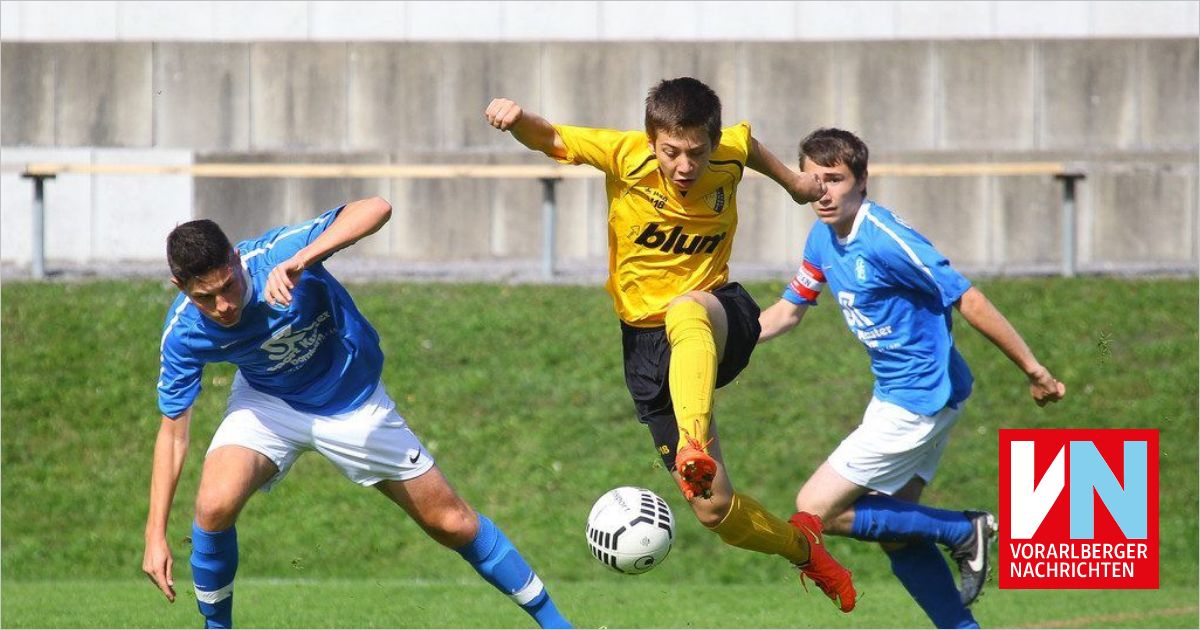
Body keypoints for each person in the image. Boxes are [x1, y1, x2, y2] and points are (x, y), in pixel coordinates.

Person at [486, 77, 856, 613]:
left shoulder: (728, 150)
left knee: (687, 308)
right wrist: (516, 119)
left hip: (719, 316)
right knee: (716, 511)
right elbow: (551, 138)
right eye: (671, 152)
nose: (686, 165)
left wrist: (792, 183)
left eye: (698, 152)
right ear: (650, 139)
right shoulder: (624, 156)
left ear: (712, 140)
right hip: (646, 351)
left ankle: (693, 446)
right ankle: (806, 551)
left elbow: (747, 145)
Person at [142, 197, 571, 629]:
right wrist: (155, 533)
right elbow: (173, 434)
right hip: (269, 402)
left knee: (452, 523)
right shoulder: (184, 332)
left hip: (353, 400)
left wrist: (304, 259)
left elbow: (377, 208)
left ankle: (557, 625)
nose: (223, 306)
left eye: (227, 286)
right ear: (181, 287)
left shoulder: (276, 255)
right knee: (214, 505)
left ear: (236, 260)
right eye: (205, 297)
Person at [759, 128, 1067, 628]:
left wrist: (1033, 369)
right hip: (903, 395)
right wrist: (719, 346)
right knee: (895, 532)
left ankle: (965, 529)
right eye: (812, 179)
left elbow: (968, 298)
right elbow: (786, 313)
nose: (822, 191)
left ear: (863, 181)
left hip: (919, 398)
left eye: (834, 179)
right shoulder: (821, 236)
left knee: (817, 509)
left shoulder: (886, 239)